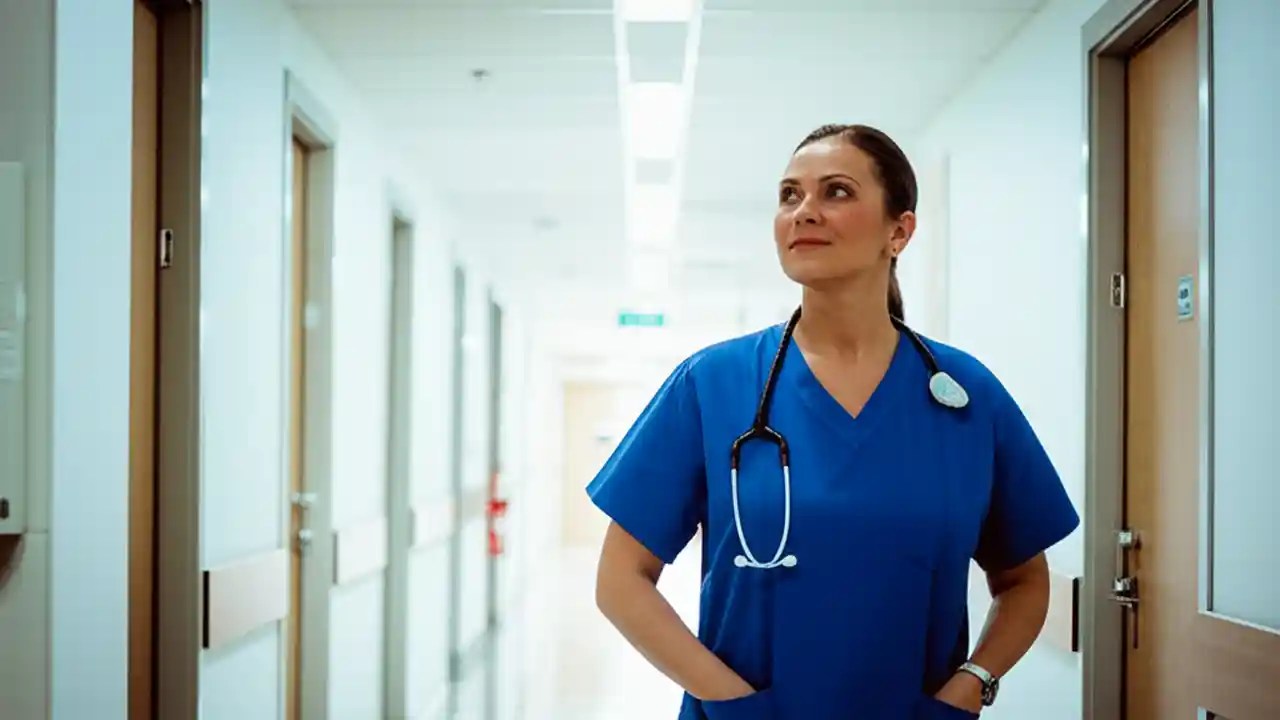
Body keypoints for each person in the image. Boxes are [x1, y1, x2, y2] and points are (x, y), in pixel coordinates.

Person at [586, 124, 1080, 719]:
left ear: (899, 231)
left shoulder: (965, 396)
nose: (804, 212)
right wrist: (731, 704)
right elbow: (620, 580)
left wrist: (972, 685)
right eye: (789, 195)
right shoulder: (713, 383)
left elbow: (1024, 580)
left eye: (837, 192)